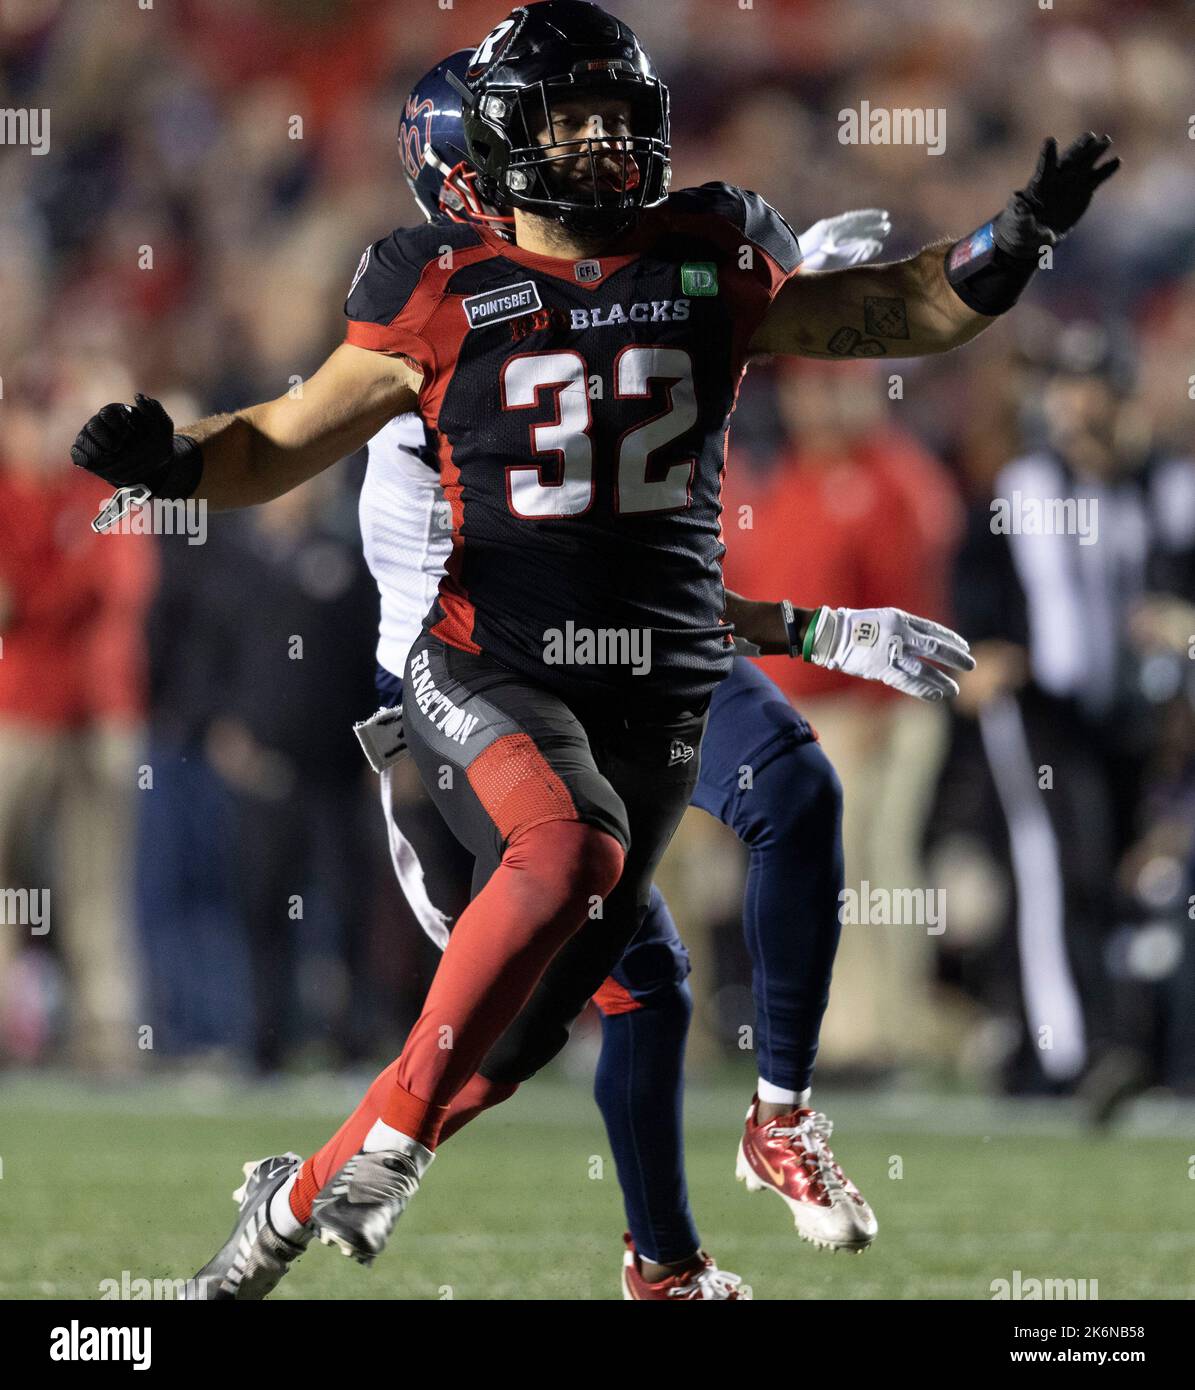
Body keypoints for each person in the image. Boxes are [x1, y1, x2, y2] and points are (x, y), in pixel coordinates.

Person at [70, 0, 1116, 1300]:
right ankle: (491, 1181)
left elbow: (890, 311)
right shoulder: (437, 284)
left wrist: (1012, 243)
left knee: (529, 1036)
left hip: (658, 682)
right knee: (570, 853)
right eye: (573, 119)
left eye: (622, 117)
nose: (605, 142)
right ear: (508, 137)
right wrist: (174, 460)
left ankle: (287, 1206)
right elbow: (283, 438)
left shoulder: (710, 254)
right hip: (485, 662)